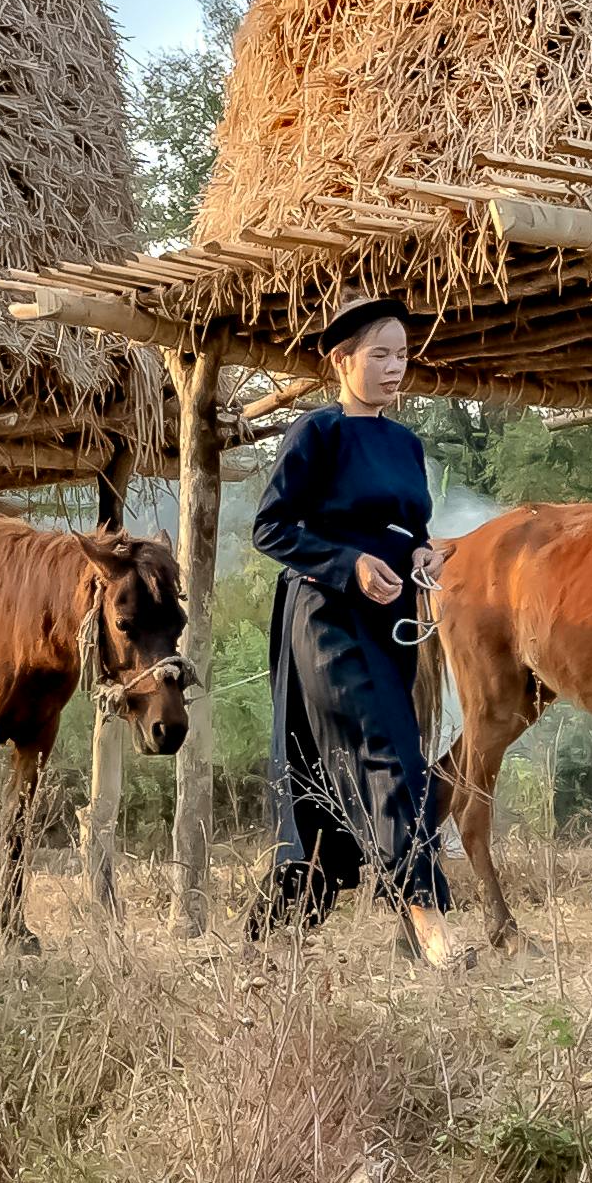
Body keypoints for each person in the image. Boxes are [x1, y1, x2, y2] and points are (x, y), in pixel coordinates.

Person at [248, 294, 463, 961]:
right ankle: (428, 919)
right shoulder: (317, 433)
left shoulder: (406, 443)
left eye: (402, 355)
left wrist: (423, 555)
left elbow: (410, 529)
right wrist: (349, 563)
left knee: (343, 765)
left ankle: (281, 924)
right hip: (326, 616)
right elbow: (271, 529)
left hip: (391, 618)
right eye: (381, 355)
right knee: (389, 750)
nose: (396, 367)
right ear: (341, 361)